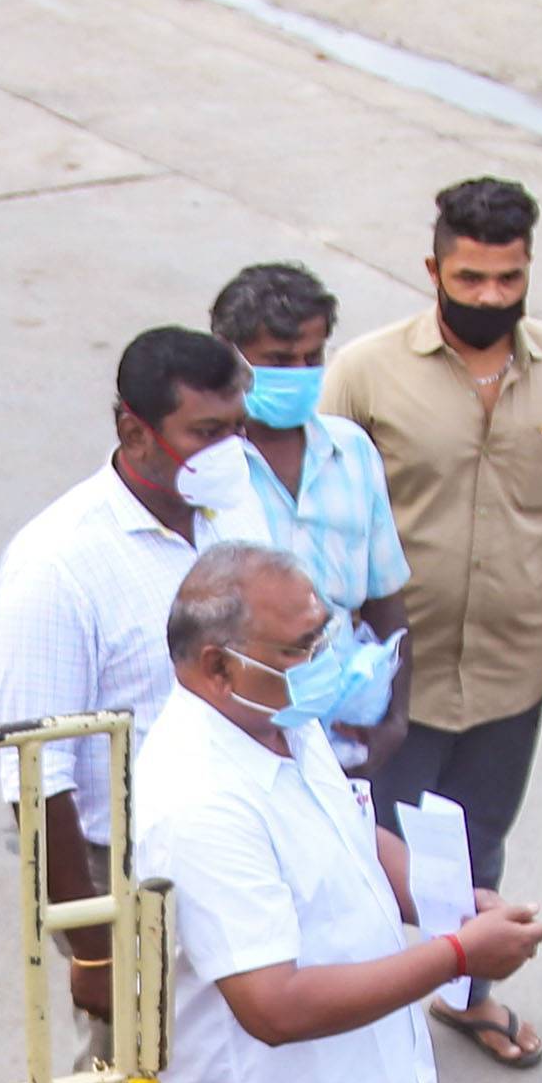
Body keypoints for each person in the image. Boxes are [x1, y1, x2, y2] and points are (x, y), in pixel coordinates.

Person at [139, 543, 542, 1083]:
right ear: (216, 666)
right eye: (300, 647)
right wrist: (457, 955)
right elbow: (273, 1005)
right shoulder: (201, 801)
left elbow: (353, 832)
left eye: (324, 634)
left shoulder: (279, 718)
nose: (324, 659)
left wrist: (443, 899)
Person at [317, 175, 542, 1074]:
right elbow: (319, 517)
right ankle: (361, 1022)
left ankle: (464, 995)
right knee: (370, 854)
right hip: (387, 675)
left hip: (510, 668)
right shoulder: (367, 372)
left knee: (476, 839)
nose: (490, 297)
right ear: (433, 269)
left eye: (508, 280)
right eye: (471, 279)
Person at [0, 325, 244, 1038]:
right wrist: (94, 951)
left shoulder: (233, 519)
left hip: (233, 836)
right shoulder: (57, 566)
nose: (230, 454)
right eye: (206, 432)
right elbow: (38, 775)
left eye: (237, 429)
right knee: (135, 1072)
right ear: (134, 431)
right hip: (127, 869)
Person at [183, 261, 408, 754]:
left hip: (346, 728)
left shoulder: (352, 451)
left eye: (313, 357)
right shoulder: (202, 470)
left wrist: (396, 717)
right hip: (240, 730)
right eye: (280, 361)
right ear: (229, 354)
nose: (301, 374)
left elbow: (386, 596)